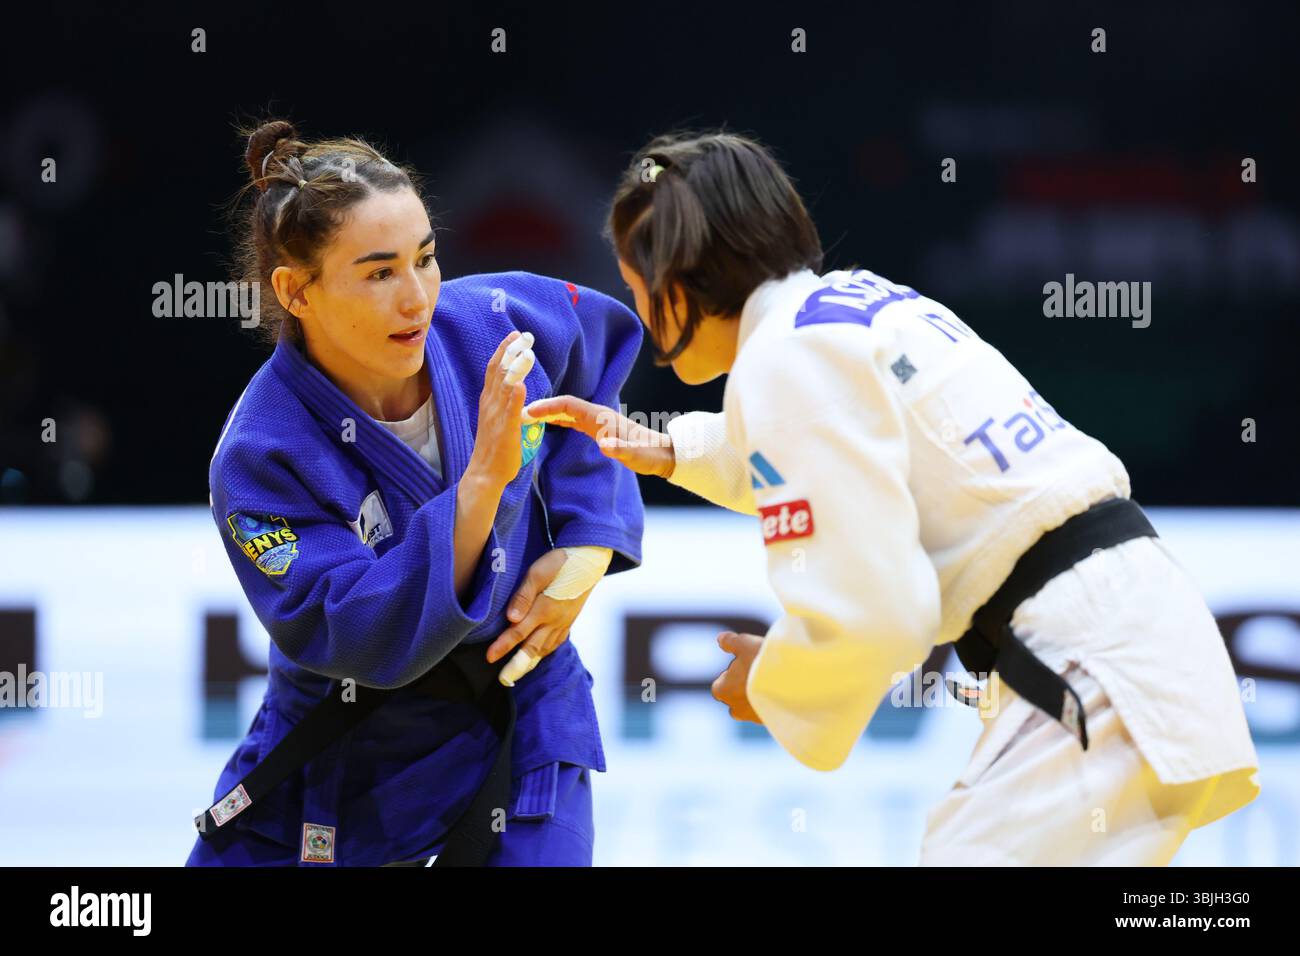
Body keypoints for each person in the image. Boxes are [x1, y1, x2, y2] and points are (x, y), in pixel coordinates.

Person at [526, 130, 1261, 865]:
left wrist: (781, 679)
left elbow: (879, 613)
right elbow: (832, 456)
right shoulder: (856, 306)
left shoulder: (784, 360)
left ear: (677, 276)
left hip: (1090, 670)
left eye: (635, 285)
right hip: (1134, 645)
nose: (641, 312)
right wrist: (670, 449)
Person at [186, 119, 644, 866]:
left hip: (522, 717)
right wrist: (483, 486)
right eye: (379, 272)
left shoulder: (495, 321)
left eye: (425, 259)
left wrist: (589, 543)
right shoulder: (262, 453)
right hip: (348, 753)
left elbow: (599, 367)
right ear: (296, 290)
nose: (417, 297)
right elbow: (355, 631)